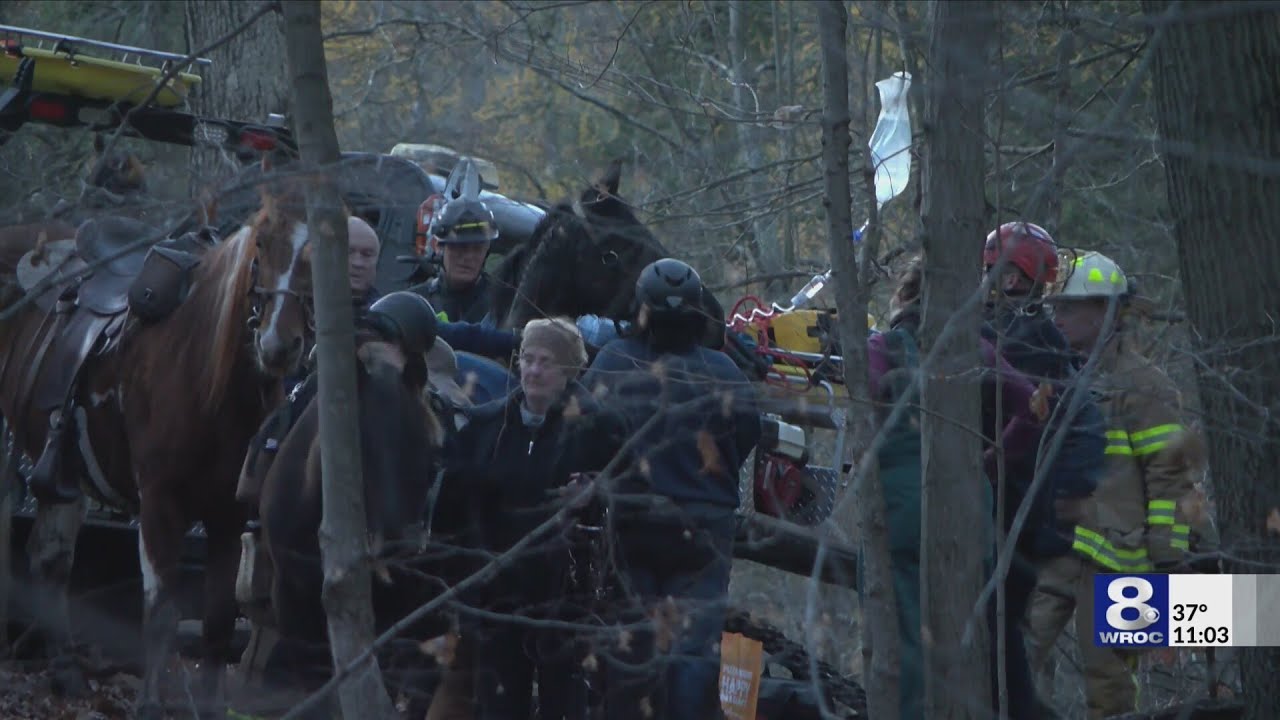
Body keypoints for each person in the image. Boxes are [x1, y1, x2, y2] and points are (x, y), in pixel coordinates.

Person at [1029, 251, 1218, 719]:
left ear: (1106, 313)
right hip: (1055, 549)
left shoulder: (1143, 385)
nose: (1059, 318)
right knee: (1011, 655)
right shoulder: (1050, 376)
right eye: (1055, 309)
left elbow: (1169, 476)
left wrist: (1168, 561)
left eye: (1069, 309)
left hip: (1119, 562)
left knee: (1110, 687)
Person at [578, 257, 761, 720]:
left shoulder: (614, 361)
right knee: (692, 652)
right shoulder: (723, 370)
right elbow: (747, 432)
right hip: (704, 527)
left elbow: (587, 434)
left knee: (633, 651)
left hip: (634, 522)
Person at [864, 257, 1045, 720]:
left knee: (907, 640)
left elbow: (859, 396)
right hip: (969, 502)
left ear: (904, 298)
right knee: (970, 637)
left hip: (903, 505)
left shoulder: (882, 347)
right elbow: (1033, 407)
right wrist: (991, 460)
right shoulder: (977, 350)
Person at [439, 316, 618, 720]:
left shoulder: (598, 428)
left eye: (547, 362)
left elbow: (628, 494)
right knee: (499, 703)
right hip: (497, 594)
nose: (534, 370)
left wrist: (594, 493)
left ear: (570, 372)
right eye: (528, 359)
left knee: (565, 704)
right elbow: (454, 509)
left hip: (568, 599)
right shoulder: (486, 426)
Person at [409, 193, 499, 325]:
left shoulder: (503, 304)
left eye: (477, 249)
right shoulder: (414, 303)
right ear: (438, 246)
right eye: (460, 247)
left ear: (487, 251)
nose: (468, 257)